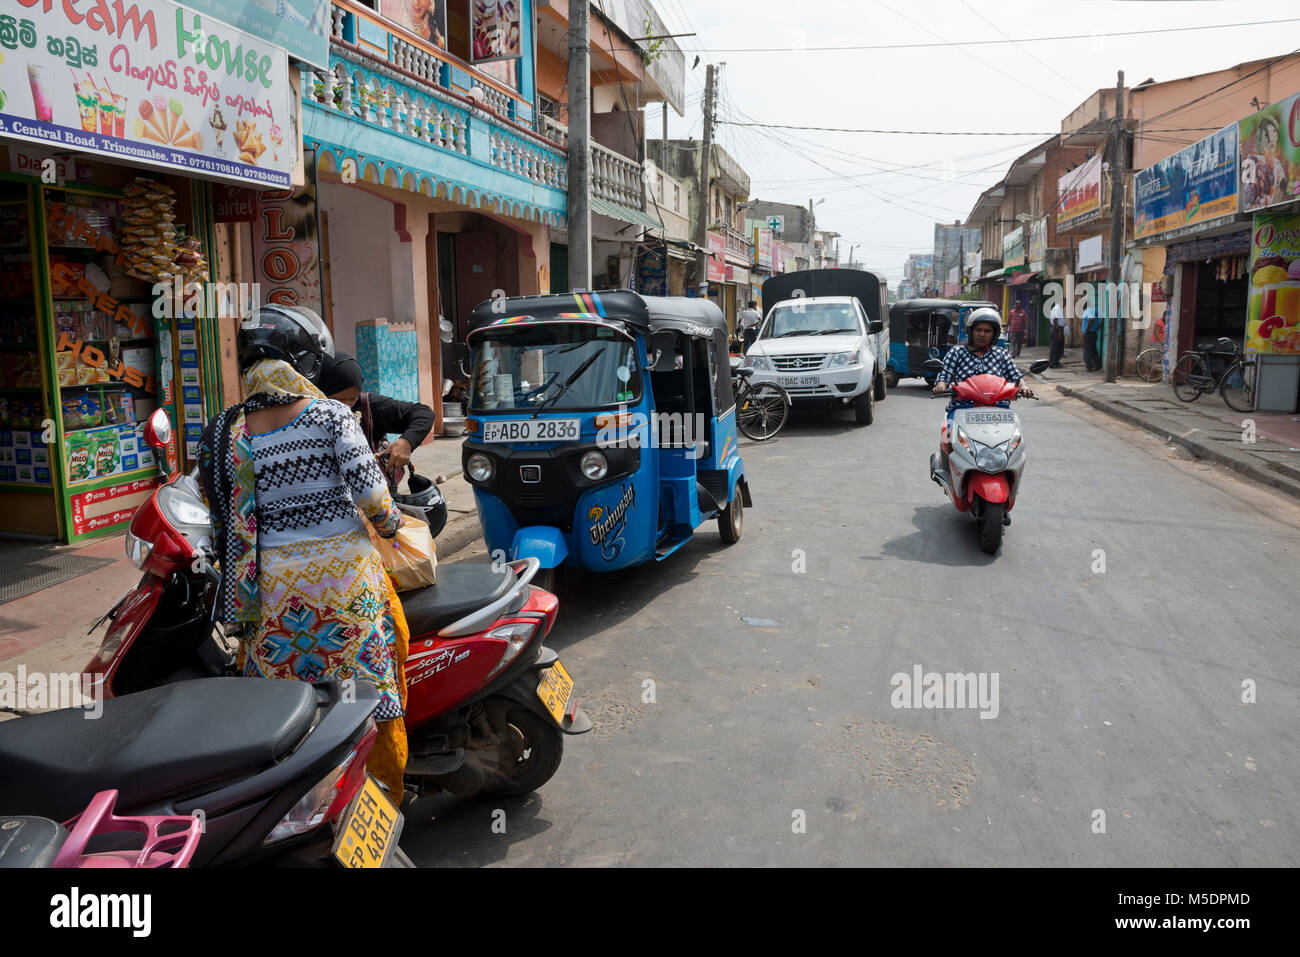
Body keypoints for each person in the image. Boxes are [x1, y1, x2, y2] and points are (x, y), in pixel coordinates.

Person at [197, 305, 410, 799]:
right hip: (346, 596)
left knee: (285, 712)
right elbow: (375, 500)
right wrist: (393, 525)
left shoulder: (223, 430)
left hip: (271, 603)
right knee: (368, 700)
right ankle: (378, 797)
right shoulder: (332, 416)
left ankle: (302, 803)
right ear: (305, 363)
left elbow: (218, 513)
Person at [317, 352, 435, 493]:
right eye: (339, 400)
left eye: (352, 399)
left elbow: (423, 413)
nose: (346, 406)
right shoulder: (305, 416)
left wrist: (407, 442)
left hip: (375, 501)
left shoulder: (367, 406)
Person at [1081, 299, 1102, 372]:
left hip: (1088, 333)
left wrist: (1087, 329)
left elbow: (1091, 319)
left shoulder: (1088, 310)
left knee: (1087, 350)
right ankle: (1097, 365)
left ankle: (1089, 367)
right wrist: (1099, 326)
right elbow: (1103, 317)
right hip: (1094, 333)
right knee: (1093, 350)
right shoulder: (1095, 310)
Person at [1049, 299, 1067, 368]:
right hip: (1057, 329)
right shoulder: (1057, 309)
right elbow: (1055, 320)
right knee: (1055, 347)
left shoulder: (1058, 309)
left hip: (1058, 328)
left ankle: (1056, 361)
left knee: (1059, 346)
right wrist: (1059, 331)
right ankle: (1053, 363)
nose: (1065, 305)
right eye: (1065, 303)